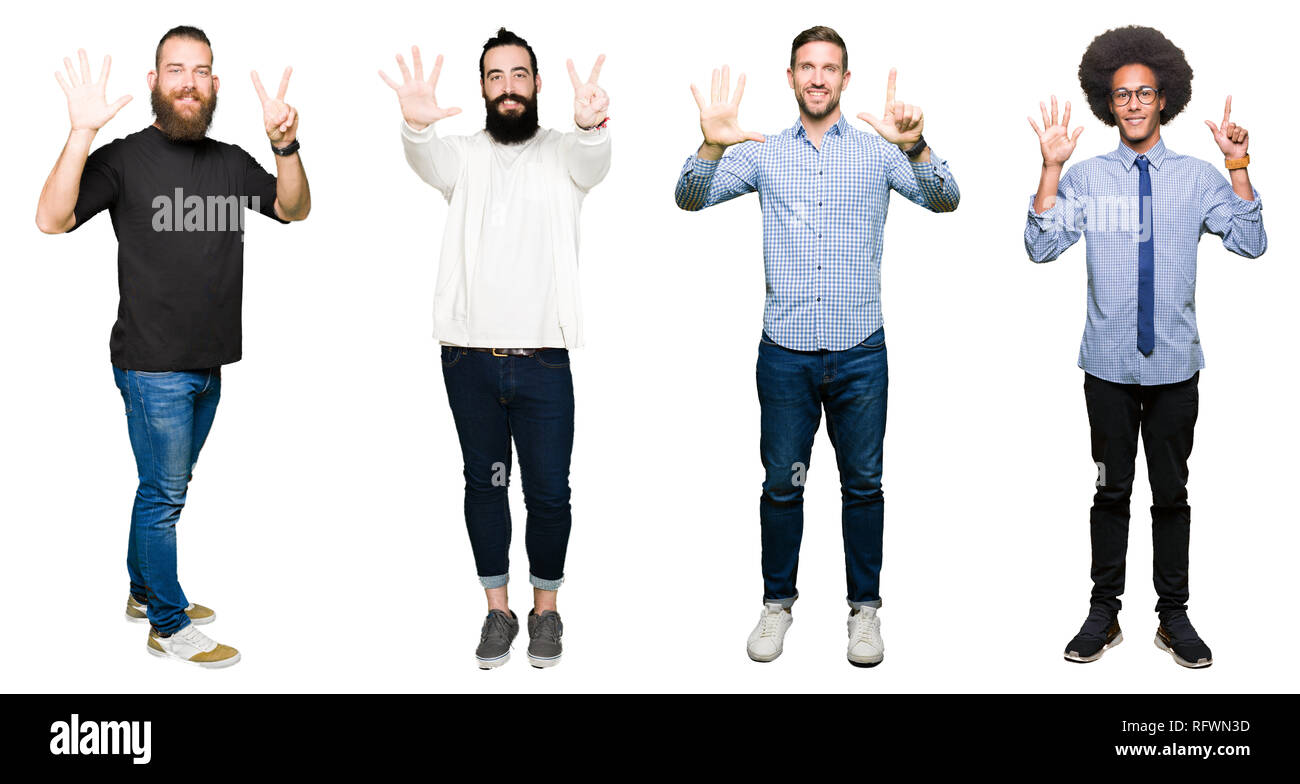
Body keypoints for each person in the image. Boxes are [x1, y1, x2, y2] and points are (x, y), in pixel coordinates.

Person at [674, 26, 959, 667]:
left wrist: (915, 146)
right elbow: (688, 198)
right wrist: (710, 144)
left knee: (863, 484)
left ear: (846, 80)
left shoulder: (879, 151)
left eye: (830, 67)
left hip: (861, 353)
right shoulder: (765, 151)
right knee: (782, 485)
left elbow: (946, 200)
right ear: (791, 78)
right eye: (807, 67)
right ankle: (777, 605)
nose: (819, 78)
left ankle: (865, 611)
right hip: (786, 356)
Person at [35, 26, 311, 668]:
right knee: (165, 496)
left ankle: (142, 589)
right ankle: (167, 621)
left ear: (214, 85)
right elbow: (50, 218)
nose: (188, 81)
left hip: (209, 364)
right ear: (154, 81)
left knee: (162, 486)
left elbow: (294, 209)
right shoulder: (125, 159)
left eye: (201, 70)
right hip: (152, 366)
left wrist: (286, 146)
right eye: (175, 69)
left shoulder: (233, 162)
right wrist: (80, 133)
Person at [1025, 25, 1265, 669]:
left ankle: (1174, 616)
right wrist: (1050, 168)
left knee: (1171, 494)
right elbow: (1042, 246)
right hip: (1105, 368)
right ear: (1109, 102)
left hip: (1175, 370)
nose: (1133, 103)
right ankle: (1104, 613)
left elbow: (1250, 241)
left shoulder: (1196, 178)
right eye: (1121, 94)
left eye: (1145, 93)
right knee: (1109, 490)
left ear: (1165, 99)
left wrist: (1238, 165)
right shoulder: (1087, 178)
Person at [380, 28, 610, 669]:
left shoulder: (566, 152)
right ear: (482, 88)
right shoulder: (463, 155)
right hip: (469, 360)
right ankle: (497, 613)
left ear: (537, 84)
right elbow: (425, 160)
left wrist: (593, 128)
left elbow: (596, 162)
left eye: (518, 75)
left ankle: (546, 612)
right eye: (494, 76)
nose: (507, 87)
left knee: (550, 493)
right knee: (485, 486)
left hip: (543, 359)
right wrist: (415, 126)